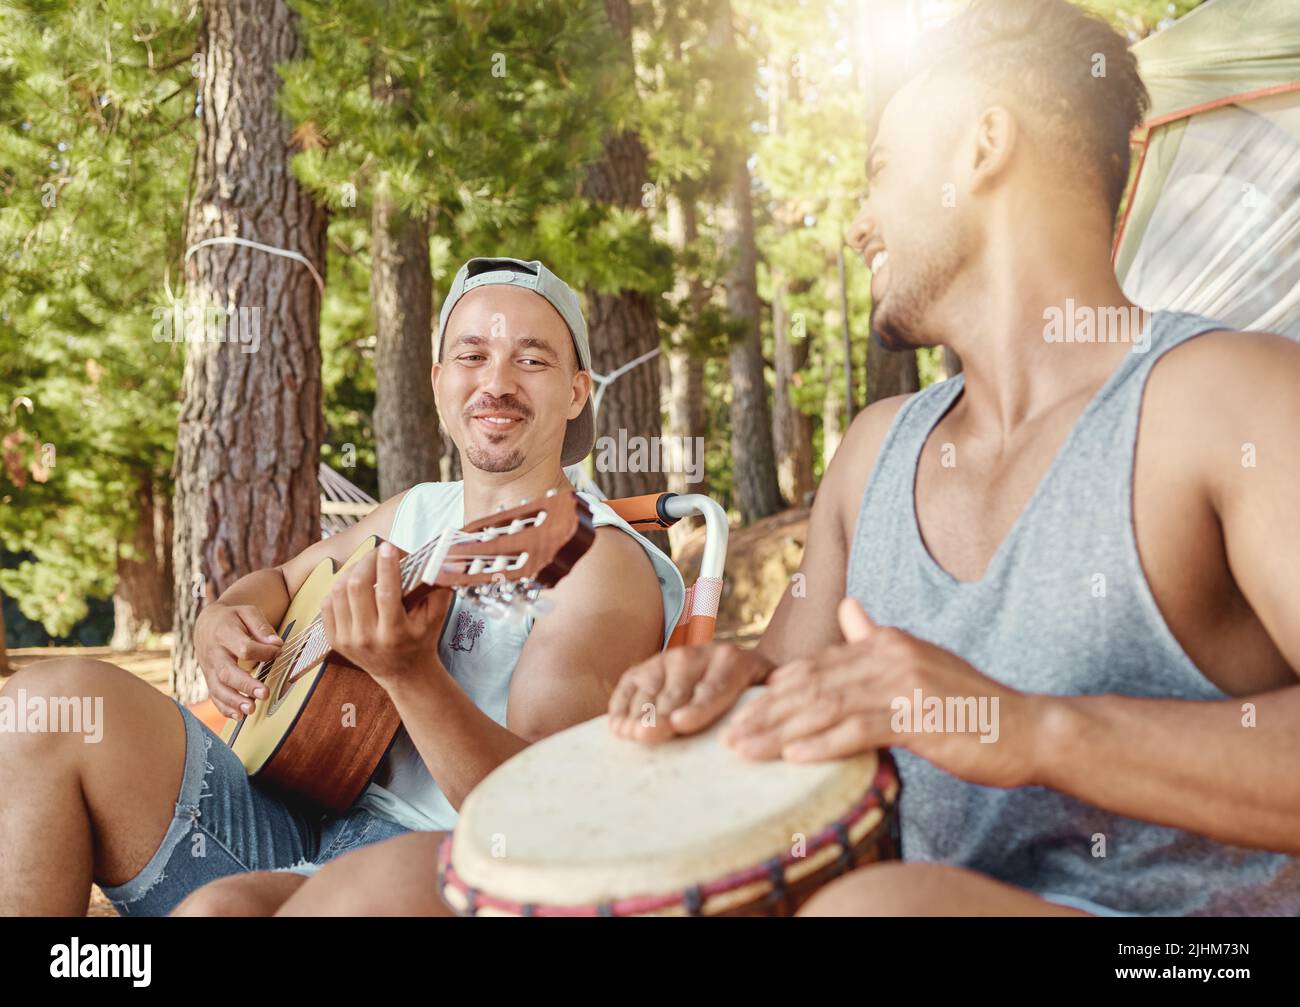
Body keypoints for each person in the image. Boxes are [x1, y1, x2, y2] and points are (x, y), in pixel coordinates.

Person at [608, 0, 1300, 917]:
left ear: (982, 146)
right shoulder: (872, 454)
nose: (857, 225)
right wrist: (725, 685)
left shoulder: (1229, 397)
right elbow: (783, 680)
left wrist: (1029, 727)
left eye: (882, 170)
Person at [0, 256, 683, 917]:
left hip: (436, 870)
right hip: (302, 811)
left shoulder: (594, 562)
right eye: (472, 356)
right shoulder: (416, 513)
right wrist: (227, 616)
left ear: (575, 391)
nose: (496, 382)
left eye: (531, 360)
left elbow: (535, 816)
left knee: (222, 911)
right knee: (44, 704)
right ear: (440, 379)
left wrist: (410, 675)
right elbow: (280, 581)